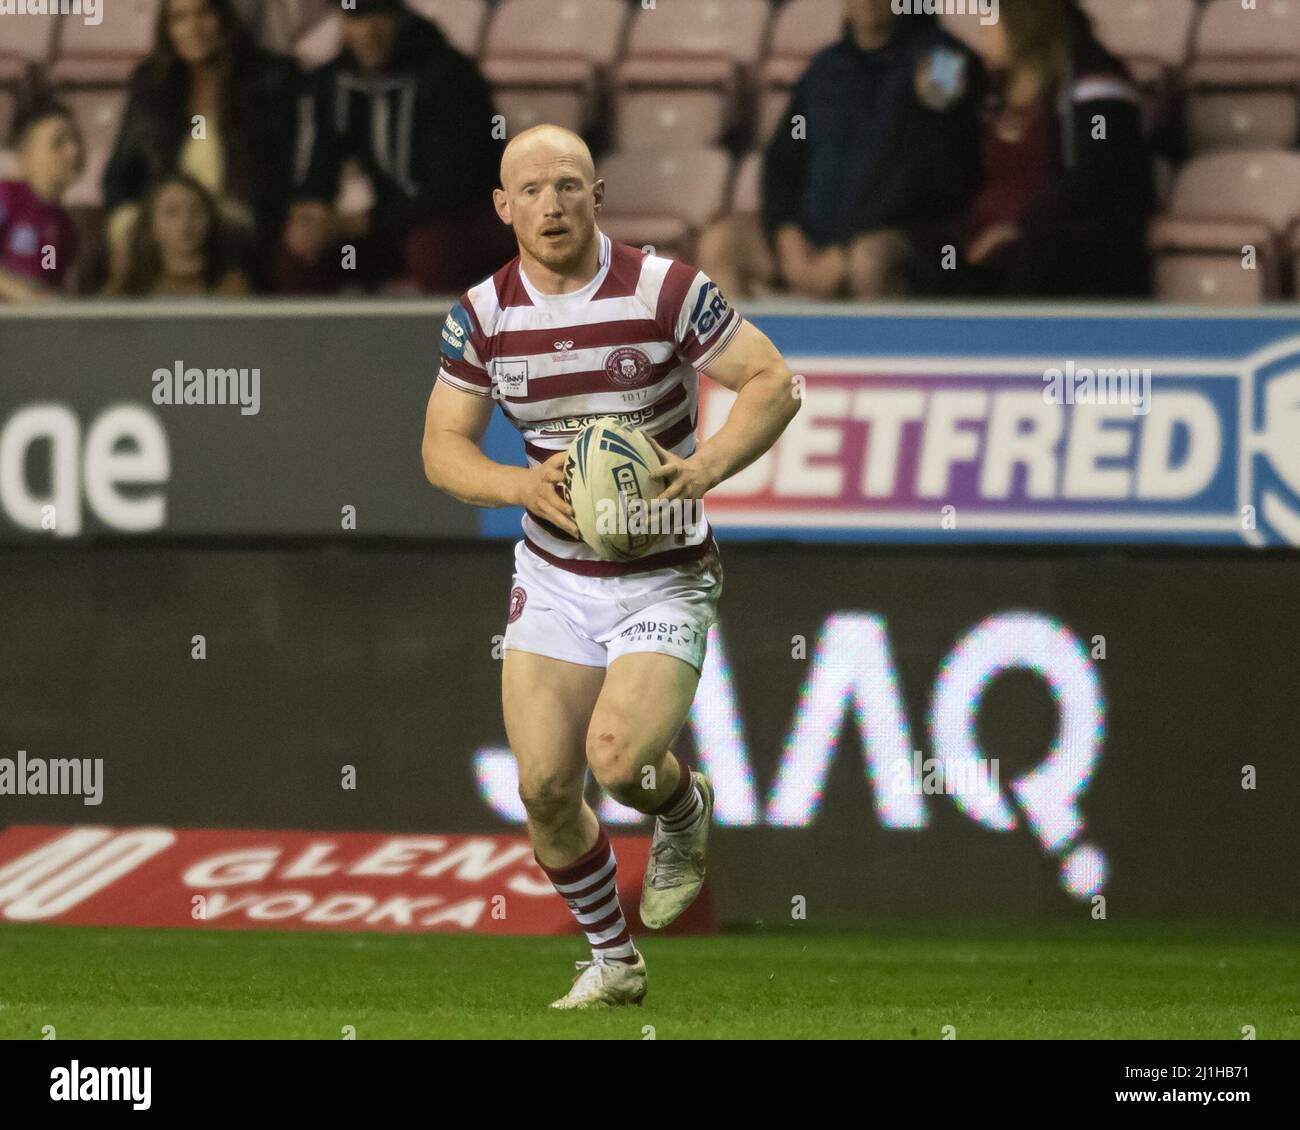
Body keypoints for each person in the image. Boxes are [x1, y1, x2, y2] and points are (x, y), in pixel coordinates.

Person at [421, 124, 801, 1008]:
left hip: (665, 570)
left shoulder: (664, 287)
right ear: (502, 206)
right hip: (555, 577)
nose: (550, 204)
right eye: (532, 189)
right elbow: (442, 449)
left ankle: (680, 807)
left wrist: (705, 468)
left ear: (599, 195)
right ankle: (613, 961)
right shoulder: (482, 315)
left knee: (621, 763)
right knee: (546, 787)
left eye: (568, 185)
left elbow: (774, 382)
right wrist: (520, 483)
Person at [698, 0, 983, 300]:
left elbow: (923, 175)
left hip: (898, 238)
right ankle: (743, 348)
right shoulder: (825, 67)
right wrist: (787, 238)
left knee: (868, 259)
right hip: (814, 236)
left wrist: (845, 247)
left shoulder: (945, 63)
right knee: (722, 243)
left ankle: (883, 347)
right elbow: (783, 161)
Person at [912, 0, 1154, 298]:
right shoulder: (992, 87)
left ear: (1023, 21)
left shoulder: (1094, 76)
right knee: (938, 254)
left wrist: (1020, 227)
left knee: (1032, 259)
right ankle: (956, 343)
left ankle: (1017, 342)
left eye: (991, 16)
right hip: (992, 232)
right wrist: (942, 111)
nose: (981, 25)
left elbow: (1097, 170)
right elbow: (959, 175)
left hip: (1066, 236)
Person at [274, 0, 509, 294]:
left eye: (381, 16)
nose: (370, 30)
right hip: (389, 226)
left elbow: (452, 190)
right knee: (299, 254)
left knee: (431, 247)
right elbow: (318, 164)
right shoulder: (334, 80)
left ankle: (454, 337)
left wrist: (357, 223)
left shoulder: (449, 75)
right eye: (357, 17)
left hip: (469, 224)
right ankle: (310, 340)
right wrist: (311, 211)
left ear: (401, 18)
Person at [102, 0, 301, 287]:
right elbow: (119, 179)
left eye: (204, 14)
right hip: (168, 236)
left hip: (245, 237)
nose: (192, 29)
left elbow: (288, 175)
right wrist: (128, 228)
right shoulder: (151, 83)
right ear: (166, 28)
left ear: (224, 18)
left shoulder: (274, 78)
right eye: (179, 19)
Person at [106, 173, 249, 296]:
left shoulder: (230, 284)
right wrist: (120, 278)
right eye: (172, 213)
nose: (186, 223)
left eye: (196, 211)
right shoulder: (133, 283)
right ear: (151, 225)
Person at [0, 100, 83, 302]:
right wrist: (26, 295)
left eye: (75, 140)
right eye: (58, 142)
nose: (73, 151)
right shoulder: (6, 197)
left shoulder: (62, 225)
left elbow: (49, 275)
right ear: (25, 155)